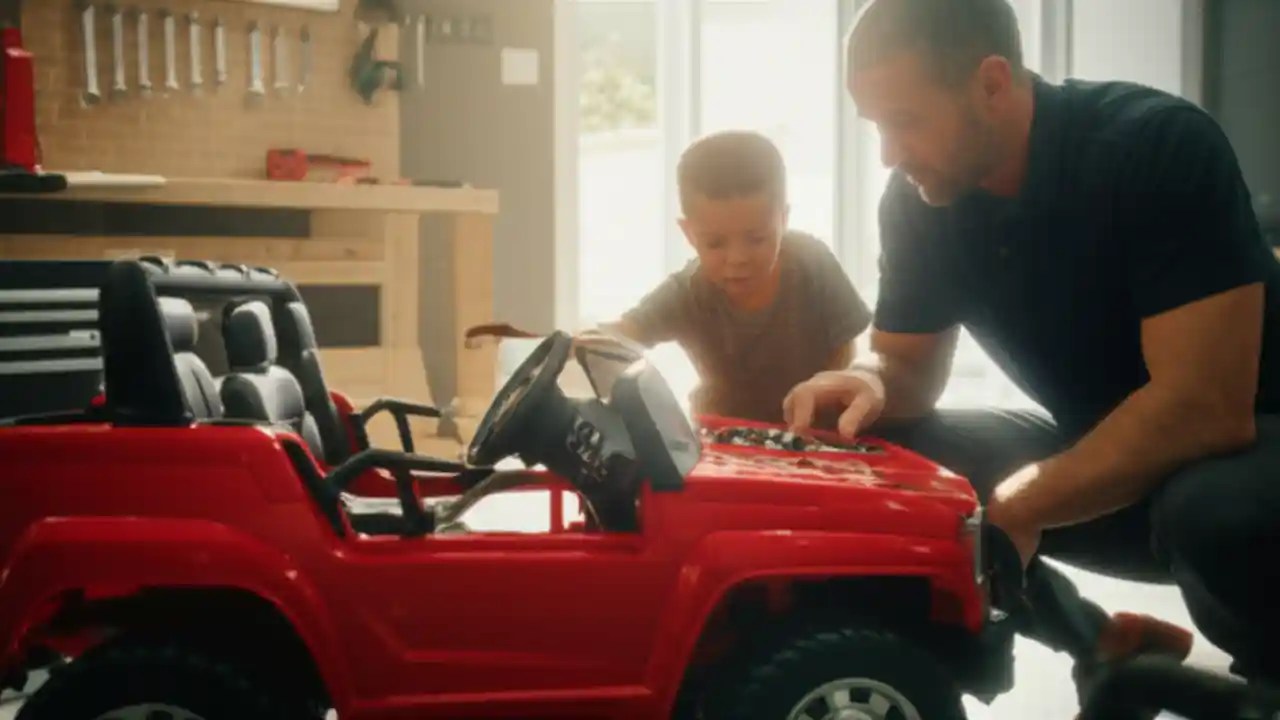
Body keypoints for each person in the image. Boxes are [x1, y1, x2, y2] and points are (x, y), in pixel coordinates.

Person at [783, 0, 1280, 704]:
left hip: (1245, 464)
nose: (891, 153)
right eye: (878, 128)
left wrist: (1024, 501)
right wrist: (865, 380)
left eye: (907, 121)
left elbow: (1205, 409)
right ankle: (1099, 645)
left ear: (991, 82)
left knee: (1212, 507)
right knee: (875, 446)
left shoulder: (1157, 145)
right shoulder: (919, 200)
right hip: (1117, 467)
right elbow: (905, 365)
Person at [598, 129, 873, 424]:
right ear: (689, 233)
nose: (737, 259)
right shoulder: (687, 291)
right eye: (715, 243)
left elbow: (844, 347)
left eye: (756, 239)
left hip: (812, 428)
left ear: (783, 220)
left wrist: (826, 399)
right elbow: (623, 333)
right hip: (723, 432)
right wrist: (575, 342)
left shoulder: (812, 263)